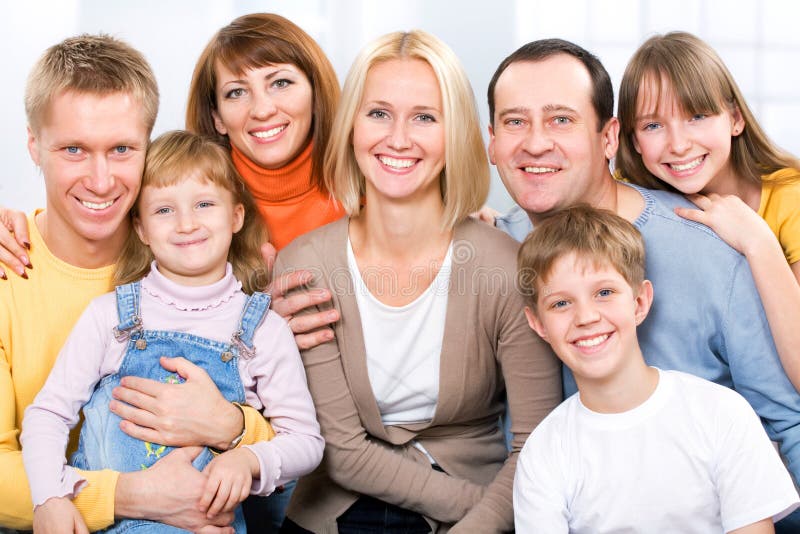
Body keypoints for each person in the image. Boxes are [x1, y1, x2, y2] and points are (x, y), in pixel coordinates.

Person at [486, 38, 800, 530]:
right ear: (491, 141)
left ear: (609, 138)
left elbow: (787, 424)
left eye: (561, 119)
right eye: (515, 122)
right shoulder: (490, 251)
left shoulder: (713, 249)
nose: (536, 143)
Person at [275, 30, 561, 533]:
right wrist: (483, 505)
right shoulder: (306, 265)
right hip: (337, 510)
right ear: (351, 127)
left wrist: (486, 520)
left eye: (425, 117)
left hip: (481, 513)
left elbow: (536, 444)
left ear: (456, 135)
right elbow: (342, 452)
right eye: (378, 113)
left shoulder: (506, 266)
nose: (399, 139)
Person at [0, 35, 275, 532]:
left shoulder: (197, 259)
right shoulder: (6, 274)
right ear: (34, 147)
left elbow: (291, 434)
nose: (101, 180)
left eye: (122, 149)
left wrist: (233, 426)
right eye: (74, 149)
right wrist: (132, 496)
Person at [20, 130, 323, 533]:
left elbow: (306, 442)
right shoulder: (109, 317)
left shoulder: (264, 330)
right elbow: (47, 414)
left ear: (236, 216)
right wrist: (48, 498)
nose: (186, 223)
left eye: (204, 204)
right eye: (164, 210)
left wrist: (249, 458)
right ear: (141, 229)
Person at [513, 205, 799, 533]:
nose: (586, 317)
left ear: (639, 302)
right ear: (538, 323)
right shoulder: (544, 453)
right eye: (561, 303)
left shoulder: (721, 413)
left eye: (604, 293)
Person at [615, 31, 800, 390]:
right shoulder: (631, 197)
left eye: (697, 116)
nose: (679, 144)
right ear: (634, 140)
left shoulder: (790, 197)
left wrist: (758, 242)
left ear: (735, 118)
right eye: (653, 126)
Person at [186, 12, 345, 253]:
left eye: (280, 83)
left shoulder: (369, 190)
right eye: (237, 92)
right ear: (217, 117)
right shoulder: (187, 214)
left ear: (315, 94)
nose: (262, 110)